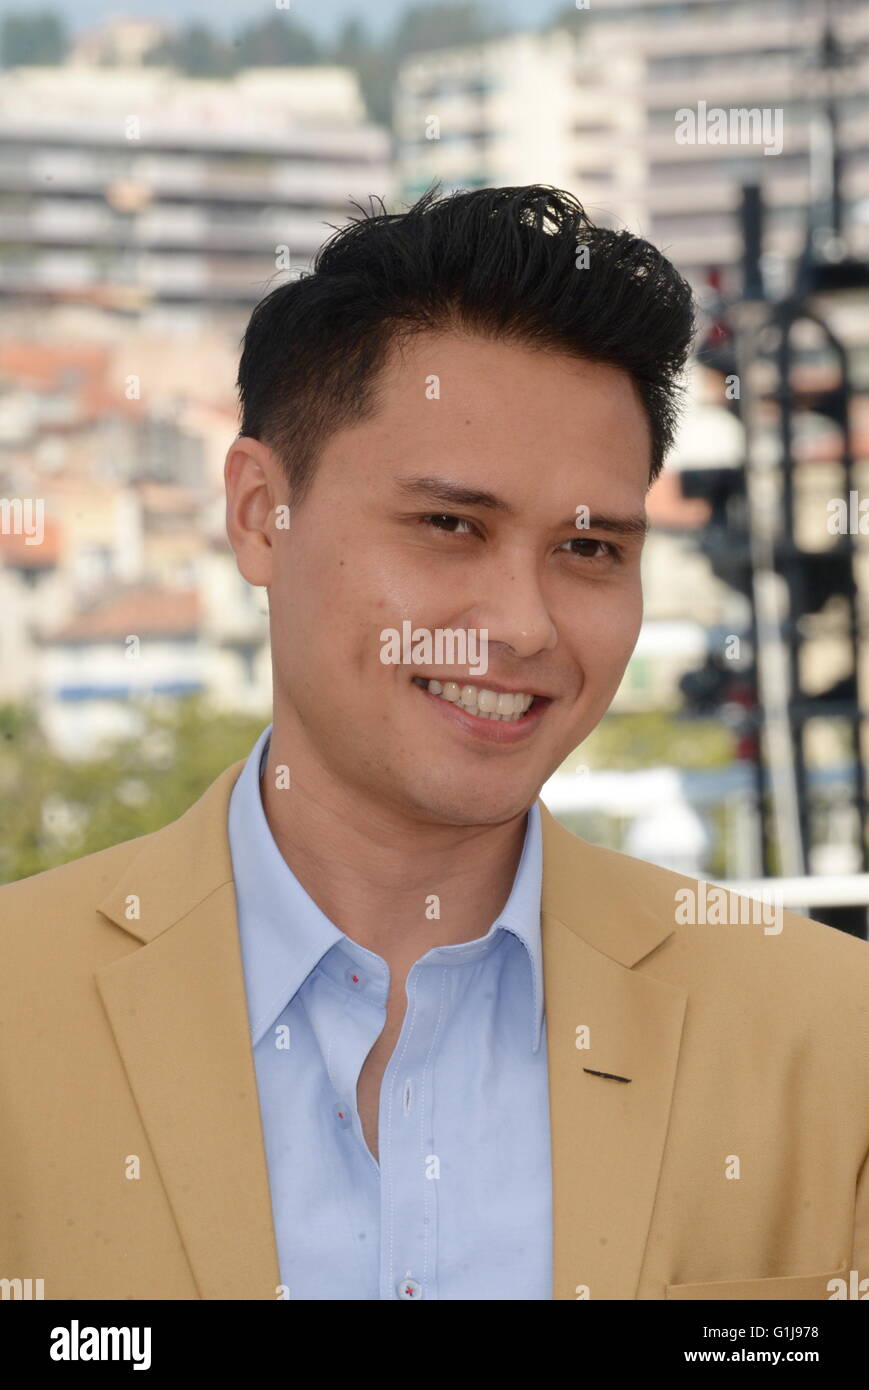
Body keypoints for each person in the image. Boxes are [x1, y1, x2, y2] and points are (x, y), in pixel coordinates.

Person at [1, 185, 866, 1302]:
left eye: (590, 548)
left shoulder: (825, 1037)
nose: (522, 624)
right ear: (262, 511)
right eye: (450, 524)